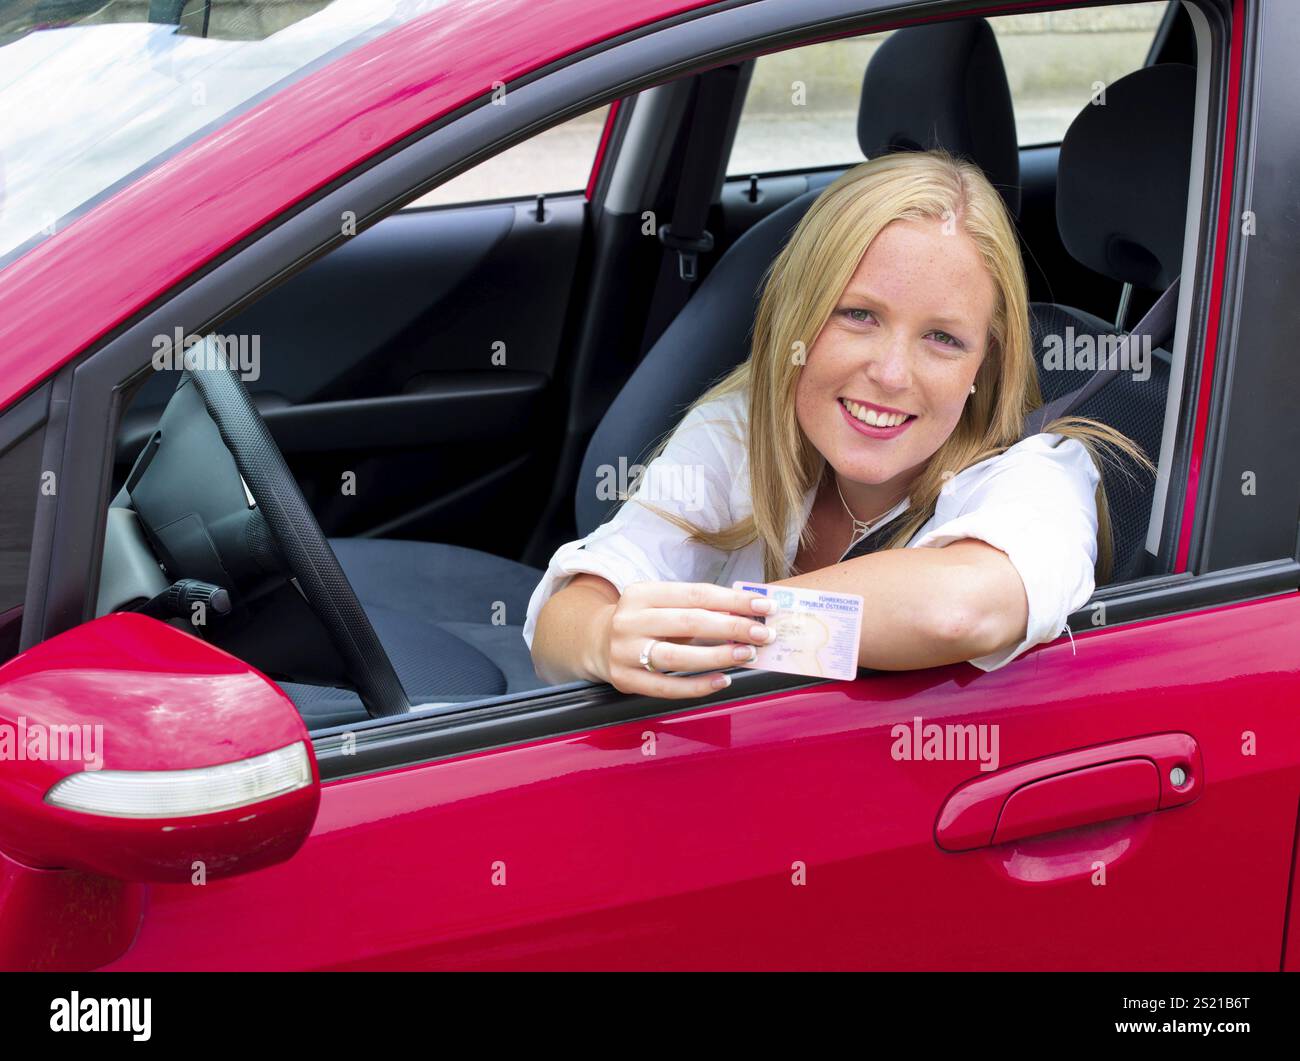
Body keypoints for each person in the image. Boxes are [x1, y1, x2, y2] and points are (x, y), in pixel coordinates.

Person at [524, 149, 1151, 698]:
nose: (892, 373)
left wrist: (710, 633)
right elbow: (562, 619)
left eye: (942, 338)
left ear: (984, 365)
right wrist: (607, 635)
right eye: (858, 315)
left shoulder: (1042, 475)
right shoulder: (742, 429)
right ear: (796, 317)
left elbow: (956, 612)